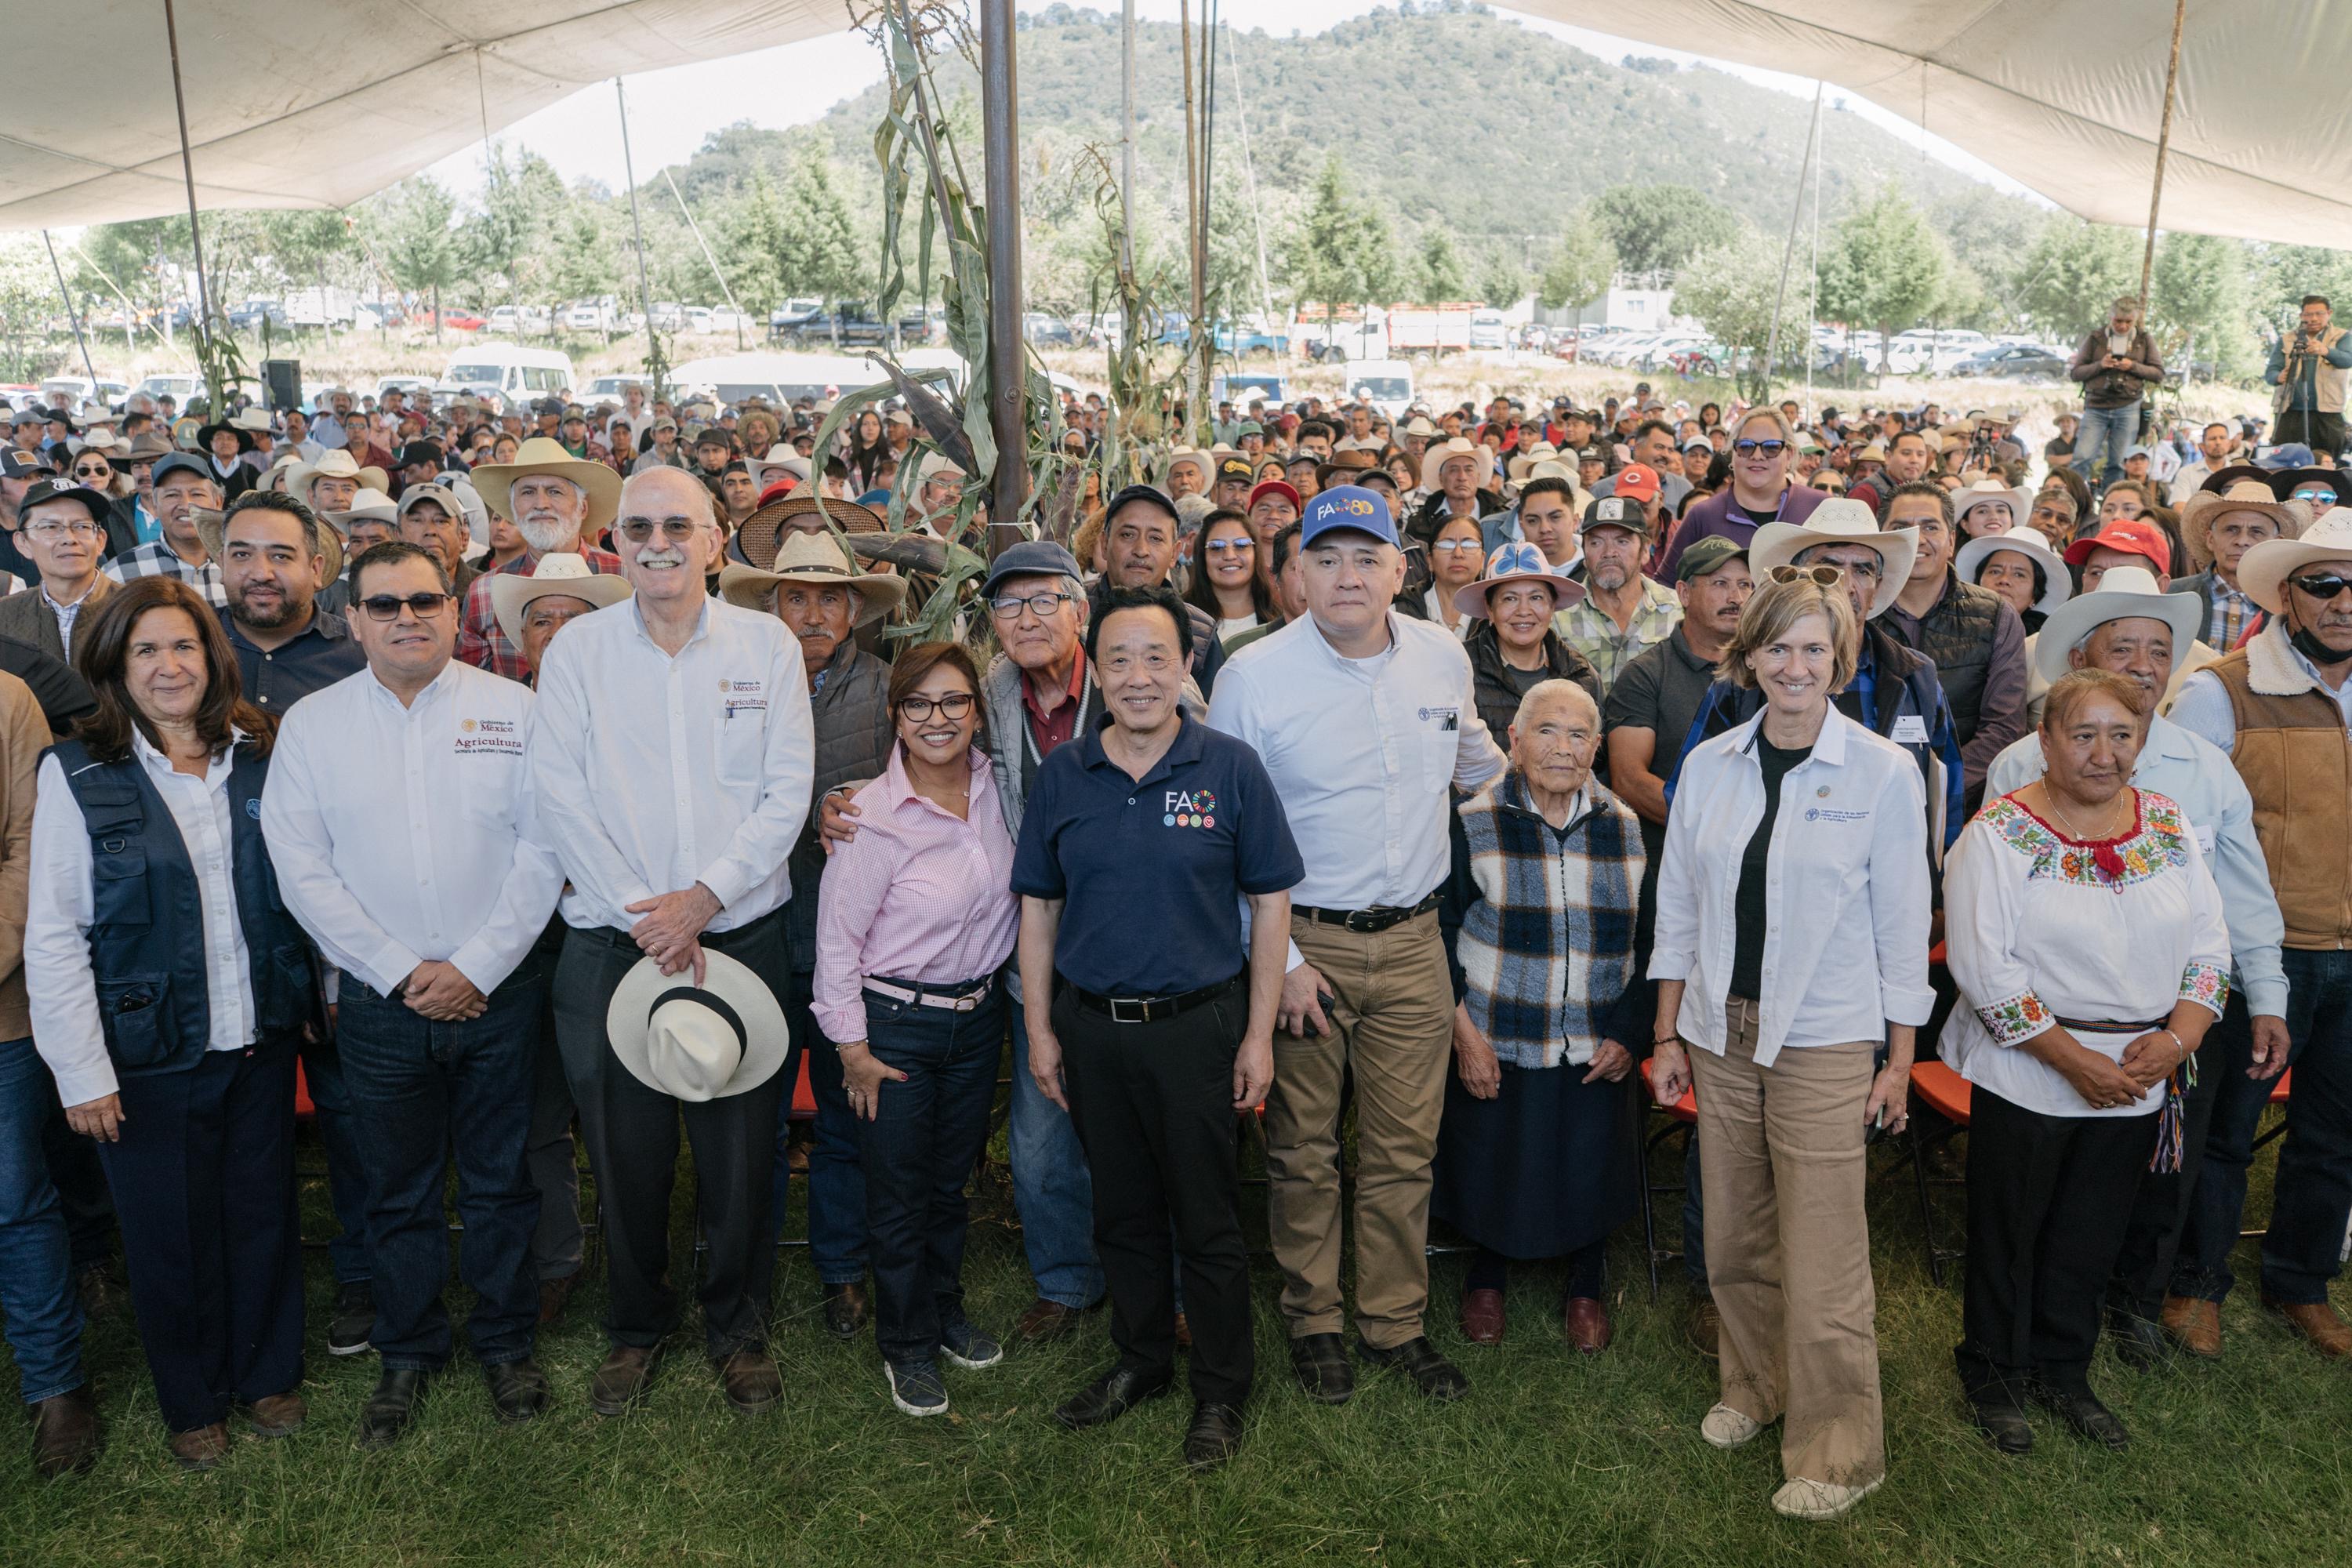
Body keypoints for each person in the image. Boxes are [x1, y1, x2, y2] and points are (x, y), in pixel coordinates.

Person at [260, 540, 566, 1446]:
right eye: (384, 603)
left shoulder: (515, 710)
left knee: (504, 1179)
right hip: (380, 1001)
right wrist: (400, 970)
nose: (407, 617)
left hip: (501, 989)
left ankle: (507, 1341)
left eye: (424, 600)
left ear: (453, 609)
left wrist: (476, 966)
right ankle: (408, 1350)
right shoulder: (314, 726)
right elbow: (300, 867)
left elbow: (544, 847)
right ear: (351, 619)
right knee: (395, 1185)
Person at [1207, 485, 1504, 1406]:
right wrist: (1285, 963)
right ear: (1294, 571)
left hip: (1417, 937)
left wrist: (1574, 788)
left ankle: (1394, 1322)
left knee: (1402, 1148)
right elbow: (1220, 837)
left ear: (1399, 571)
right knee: (1302, 1149)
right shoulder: (1252, 677)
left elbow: (1479, 765)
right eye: (1327, 558)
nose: (1347, 575)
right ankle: (1316, 1320)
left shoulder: (1442, 657)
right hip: (1300, 942)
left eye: (1366, 558)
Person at [525, 467, 815, 1415]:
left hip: (741, 932)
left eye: (678, 525)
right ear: (616, 544)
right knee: (624, 1149)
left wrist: (702, 898)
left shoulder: (768, 645)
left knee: (740, 1147)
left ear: (715, 542)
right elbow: (559, 795)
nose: (657, 541)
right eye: (639, 526)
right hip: (614, 942)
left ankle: (738, 1327)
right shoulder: (576, 650)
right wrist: (648, 913)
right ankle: (636, 1325)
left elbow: (786, 792)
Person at [1647, 570, 1929, 1521]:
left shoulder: (1885, 772)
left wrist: (1898, 1057)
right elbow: (1679, 904)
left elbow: (1904, 922)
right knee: (1733, 1229)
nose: (1796, 664)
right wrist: (1669, 1028)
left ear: (1840, 660)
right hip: (1719, 1029)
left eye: (1816, 648)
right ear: (1749, 655)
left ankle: (1840, 1447)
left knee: (1825, 1244)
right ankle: (1755, 1385)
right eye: (1779, 646)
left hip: (1827, 1035)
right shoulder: (1714, 764)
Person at [25, 577, 318, 1472]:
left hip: (259, 1031)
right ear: (114, 664)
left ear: (212, 654)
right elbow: (55, 932)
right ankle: (192, 1398)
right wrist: (82, 1072)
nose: (168, 666)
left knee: (262, 1210)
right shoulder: (75, 771)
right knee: (167, 1232)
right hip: (146, 1050)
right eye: (145, 649)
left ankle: (268, 1372)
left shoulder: (262, 753)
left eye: (183, 646)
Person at [1017, 585, 1298, 1472]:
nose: (1138, 677)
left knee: (1207, 1218)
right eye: (1119, 660)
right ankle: (1140, 1360)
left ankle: (1220, 1388)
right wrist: (1040, 1030)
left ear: (1186, 667)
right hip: (1092, 1027)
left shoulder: (1230, 767)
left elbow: (1271, 899)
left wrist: (1257, 1035)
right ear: (1095, 671)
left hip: (1198, 1029)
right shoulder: (1064, 774)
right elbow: (1037, 910)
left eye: (1156, 658)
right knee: (1124, 1209)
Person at [1984, 567, 2287, 1368]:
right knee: (2044, 1193)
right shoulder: (2022, 766)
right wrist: (2068, 1047)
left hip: (2174, 1026)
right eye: (2125, 648)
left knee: (2161, 1171)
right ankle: (2016, 1340)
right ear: (2083, 656)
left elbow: (2233, 905)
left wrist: (2235, 1008)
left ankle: (2130, 1306)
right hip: (2049, 1035)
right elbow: (1994, 931)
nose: (2144, 666)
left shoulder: (2202, 775)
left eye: (2160, 650)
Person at [1944, 670, 2229, 1452]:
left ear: (2143, 741)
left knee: (2090, 1228)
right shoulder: (1998, 836)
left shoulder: (2167, 823)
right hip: (2032, 1067)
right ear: (2045, 740)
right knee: (2013, 1225)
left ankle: (2065, 1368)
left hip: (2142, 1071)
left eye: (2122, 734)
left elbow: (2210, 944)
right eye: (2084, 734)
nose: (2104, 754)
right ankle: (1995, 1371)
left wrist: (2179, 1040)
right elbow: (1984, 969)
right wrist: (2075, 1061)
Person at [2165, 511, 2352, 1358]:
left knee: (2333, 1134)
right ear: (2286, 594)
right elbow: (2186, 834)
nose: (2345, 600)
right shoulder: (2220, 690)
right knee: (2224, 1132)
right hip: (2259, 955)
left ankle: (2302, 1283)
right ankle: (2195, 1282)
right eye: (2325, 583)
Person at [813, 642, 1014, 1418]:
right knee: (897, 1192)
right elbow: (838, 943)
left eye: (955, 701)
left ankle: (944, 1310)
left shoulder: (1000, 790)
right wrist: (853, 1050)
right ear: (895, 715)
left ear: (976, 709)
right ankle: (905, 1343)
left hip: (978, 1015)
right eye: (919, 704)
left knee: (946, 1184)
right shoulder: (872, 816)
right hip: (894, 1024)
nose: (939, 718)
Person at [718, 532, 903, 1338]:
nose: (814, 612)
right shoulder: (731, 684)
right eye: (797, 596)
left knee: (842, 1110)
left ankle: (840, 1269)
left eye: (831, 596)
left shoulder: (892, 692)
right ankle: (739, 1268)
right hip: (752, 925)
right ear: (771, 604)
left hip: (853, 939)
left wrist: (859, 798)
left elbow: (919, 796)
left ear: (856, 608)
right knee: (745, 1114)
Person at [1436, 679, 1643, 1352]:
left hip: (1593, 1034)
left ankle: (1586, 1281)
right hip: (1497, 1028)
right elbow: (1436, 933)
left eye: (1579, 734)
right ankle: (1486, 1276)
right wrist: (1464, 1034)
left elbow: (1658, 938)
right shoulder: (1473, 820)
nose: (1563, 747)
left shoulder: (1626, 826)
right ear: (1515, 743)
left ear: (1597, 749)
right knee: (1493, 1154)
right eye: (1546, 732)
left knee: (1589, 1157)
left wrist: (1629, 1033)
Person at [0, 664, 95, 1478]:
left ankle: (54, 1384)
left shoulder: (7, 699)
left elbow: (29, 848)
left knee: (16, 1198)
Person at [1877, 481, 2028, 808]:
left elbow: (2004, 727)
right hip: (1869, 796)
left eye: (1930, 527)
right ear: (1883, 540)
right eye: (1900, 528)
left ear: (1952, 542)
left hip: (1964, 804)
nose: (1916, 538)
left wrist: (1943, 783)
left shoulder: (1996, 616)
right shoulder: (1858, 613)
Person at [459, 437, 625, 680]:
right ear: (513, 509)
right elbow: (473, 690)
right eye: (528, 492)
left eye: (554, 491)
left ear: (583, 508)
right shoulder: (484, 592)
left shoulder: (625, 575)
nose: (541, 504)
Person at [1658, 409, 1828, 580]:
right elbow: (1666, 585)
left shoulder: (1820, 507)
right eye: (1746, 446)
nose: (1757, 456)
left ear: (1789, 454)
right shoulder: (1703, 515)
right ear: (1733, 453)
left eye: (1771, 448)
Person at [1088, 486, 1228, 695]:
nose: (1141, 550)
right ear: (1104, 544)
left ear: (1175, 552)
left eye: (1155, 538)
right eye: (1127, 535)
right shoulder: (1072, 612)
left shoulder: (1199, 631)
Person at [1457, 543, 1602, 737]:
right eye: (1510, 598)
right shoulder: (1459, 667)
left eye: (1536, 598)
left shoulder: (1581, 673)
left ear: (1552, 607)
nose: (1524, 611)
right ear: (1490, 609)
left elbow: (1599, 755)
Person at [1555, 495, 1680, 693]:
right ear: (1584, 554)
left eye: (1622, 541)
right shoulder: (1559, 615)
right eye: (1596, 543)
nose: (1609, 552)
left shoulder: (1677, 610)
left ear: (1645, 550)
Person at [2172, 481, 2309, 654]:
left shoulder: (2291, 606)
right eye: (2231, 529)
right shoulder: (2174, 595)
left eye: (2256, 532)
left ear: (2277, 542)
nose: (2242, 541)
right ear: (2210, 539)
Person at [0, 479, 116, 662]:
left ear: (100, 540)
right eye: (50, 527)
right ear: (23, 543)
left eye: (82, 527)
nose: (69, 539)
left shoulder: (135, 608)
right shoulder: (5, 616)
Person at [104, 454, 226, 608]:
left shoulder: (241, 565)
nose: (185, 504)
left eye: (197, 494)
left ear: (218, 502)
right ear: (155, 503)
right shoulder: (120, 573)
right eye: (172, 495)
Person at [2067, 298, 2163, 488]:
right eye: (2118, 321)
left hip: (2128, 406)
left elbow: (2158, 374)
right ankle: (2074, 500)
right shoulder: (2096, 338)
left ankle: (2112, 505)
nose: (2123, 326)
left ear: (2135, 320)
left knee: (2119, 462)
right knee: (2082, 457)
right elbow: (2076, 373)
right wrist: (2100, 365)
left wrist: (2133, 366)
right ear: (2110, 318)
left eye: (2128, 322)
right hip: (2096, 406)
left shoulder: (2143, 339)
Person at [2265, 295, 2352, 456]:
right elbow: (2270, 372)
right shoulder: (2287, 339)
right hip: (2290, 412)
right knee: (2285, 459)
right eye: (2308, 314)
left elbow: (2348, 360)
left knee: (2327, 458)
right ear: (2301, 316)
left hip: (2328, 412)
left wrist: (2326, 351)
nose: (2313, 319)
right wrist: (2278, 377)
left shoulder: (2341, 336)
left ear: (2329, 313)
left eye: (2319, 314)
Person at [1955, 523, 2071, 637]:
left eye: (2019, 575)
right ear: (1978, 582)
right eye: (1995, 571)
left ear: (2034, 596)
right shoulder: (1950, 624)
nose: (2004, 580)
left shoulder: (2041, 647)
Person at [1181, 508, 1276, 644]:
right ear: (1203, 556)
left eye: (1241, 545)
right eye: (1216, 547)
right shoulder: (1180, 617)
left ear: (1256, 553)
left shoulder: (1281, 618)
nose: (1229, 556)